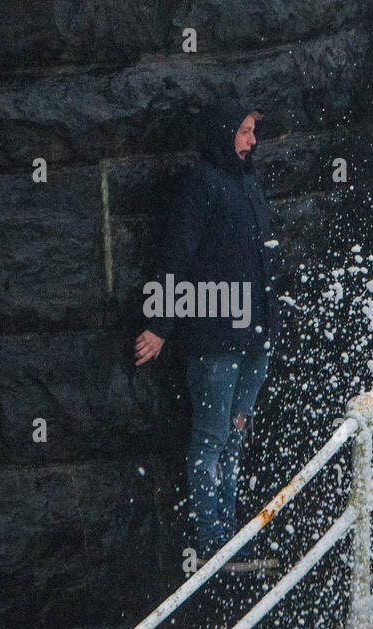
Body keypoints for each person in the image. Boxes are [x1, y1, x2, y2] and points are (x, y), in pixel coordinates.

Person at [134, 95, 280, 570]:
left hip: (254, 338)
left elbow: (262, 263)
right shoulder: (202, 185)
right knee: (212, 437)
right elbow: (176, 256)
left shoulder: (248, 183)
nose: (251, 141)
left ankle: (232, 536)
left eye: (252, 133)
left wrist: (271, 329)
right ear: (222, 134)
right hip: (215, 339)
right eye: (243, 132)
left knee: (235, 437)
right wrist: (159, 326)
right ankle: (215, 541)